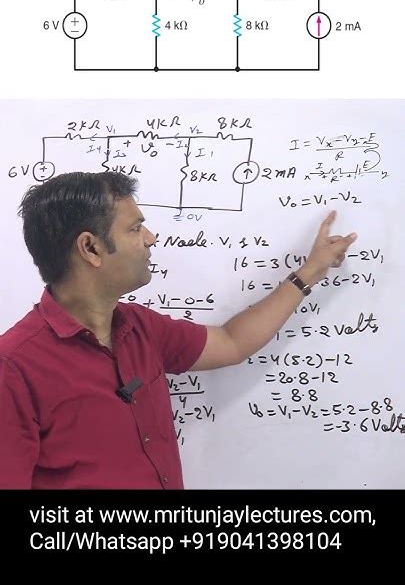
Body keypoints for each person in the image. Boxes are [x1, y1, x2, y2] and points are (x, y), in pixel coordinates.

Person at [0, 171, 357, 489]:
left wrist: (310, 272)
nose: (150, 238)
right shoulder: (14, 368)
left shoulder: (139, 327)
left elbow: (232, 342)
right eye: (135, 228)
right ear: (91, 248)